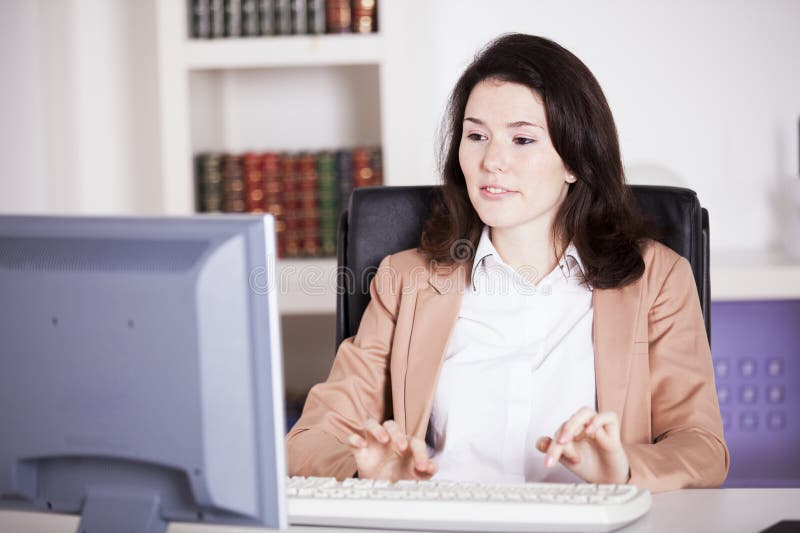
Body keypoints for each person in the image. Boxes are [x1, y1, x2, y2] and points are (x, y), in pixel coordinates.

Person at [286, 33, 729, 492]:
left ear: (575, 161)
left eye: (521, 139)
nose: (491, 161)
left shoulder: (657, 278)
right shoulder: (406, 280)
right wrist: (367, 471)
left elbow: (701, 448)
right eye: (476, 135)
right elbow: (308, 441)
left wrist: (624, 469)